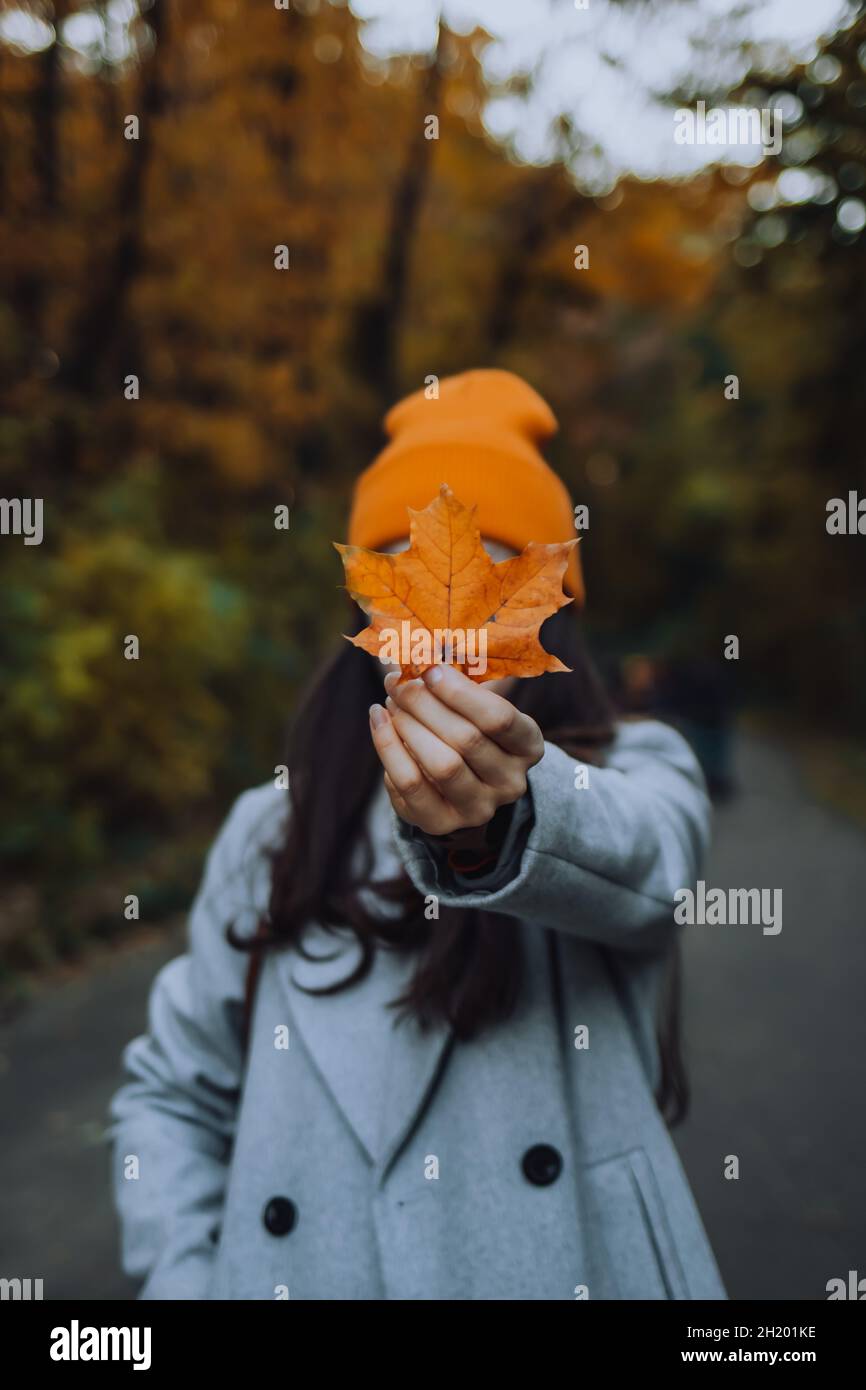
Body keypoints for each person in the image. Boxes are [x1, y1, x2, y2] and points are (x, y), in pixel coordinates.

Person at [108, 369, 726, 1301]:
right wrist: (186, 1283)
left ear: (549, 601)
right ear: (359, 607)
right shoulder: (271, 830)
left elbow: (652, 866)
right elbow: (173, 1094)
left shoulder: (636, 768)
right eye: (400, 574)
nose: (442, 624)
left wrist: (509, 818)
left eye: (494, 569)